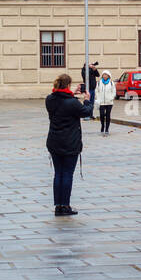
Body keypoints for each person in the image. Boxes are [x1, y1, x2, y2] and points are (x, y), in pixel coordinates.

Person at [45, 73, 86, 215]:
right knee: (68, 174)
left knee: (58, 174)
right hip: (70, 143)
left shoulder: (50, 99)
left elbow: (61, 101)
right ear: (68, 85)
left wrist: (71, 94)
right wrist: (87, 100)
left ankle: (58, 206)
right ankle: (65, 206)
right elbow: (85, 112)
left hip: (54, 142)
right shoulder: (72, 103)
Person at [94, 69, 116, 134]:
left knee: (108, 115)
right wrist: (98, 98)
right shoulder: (99, 82)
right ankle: (102, 126)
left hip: (109, 102)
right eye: (103, 74)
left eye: (106, 75)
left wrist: (111, 98)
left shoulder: (111, 83)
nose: (104, 76)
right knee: (102, 115)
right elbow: (96, 91)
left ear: (108, 76)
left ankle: (107, 129)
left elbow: (114, 92)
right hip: (101, 102)